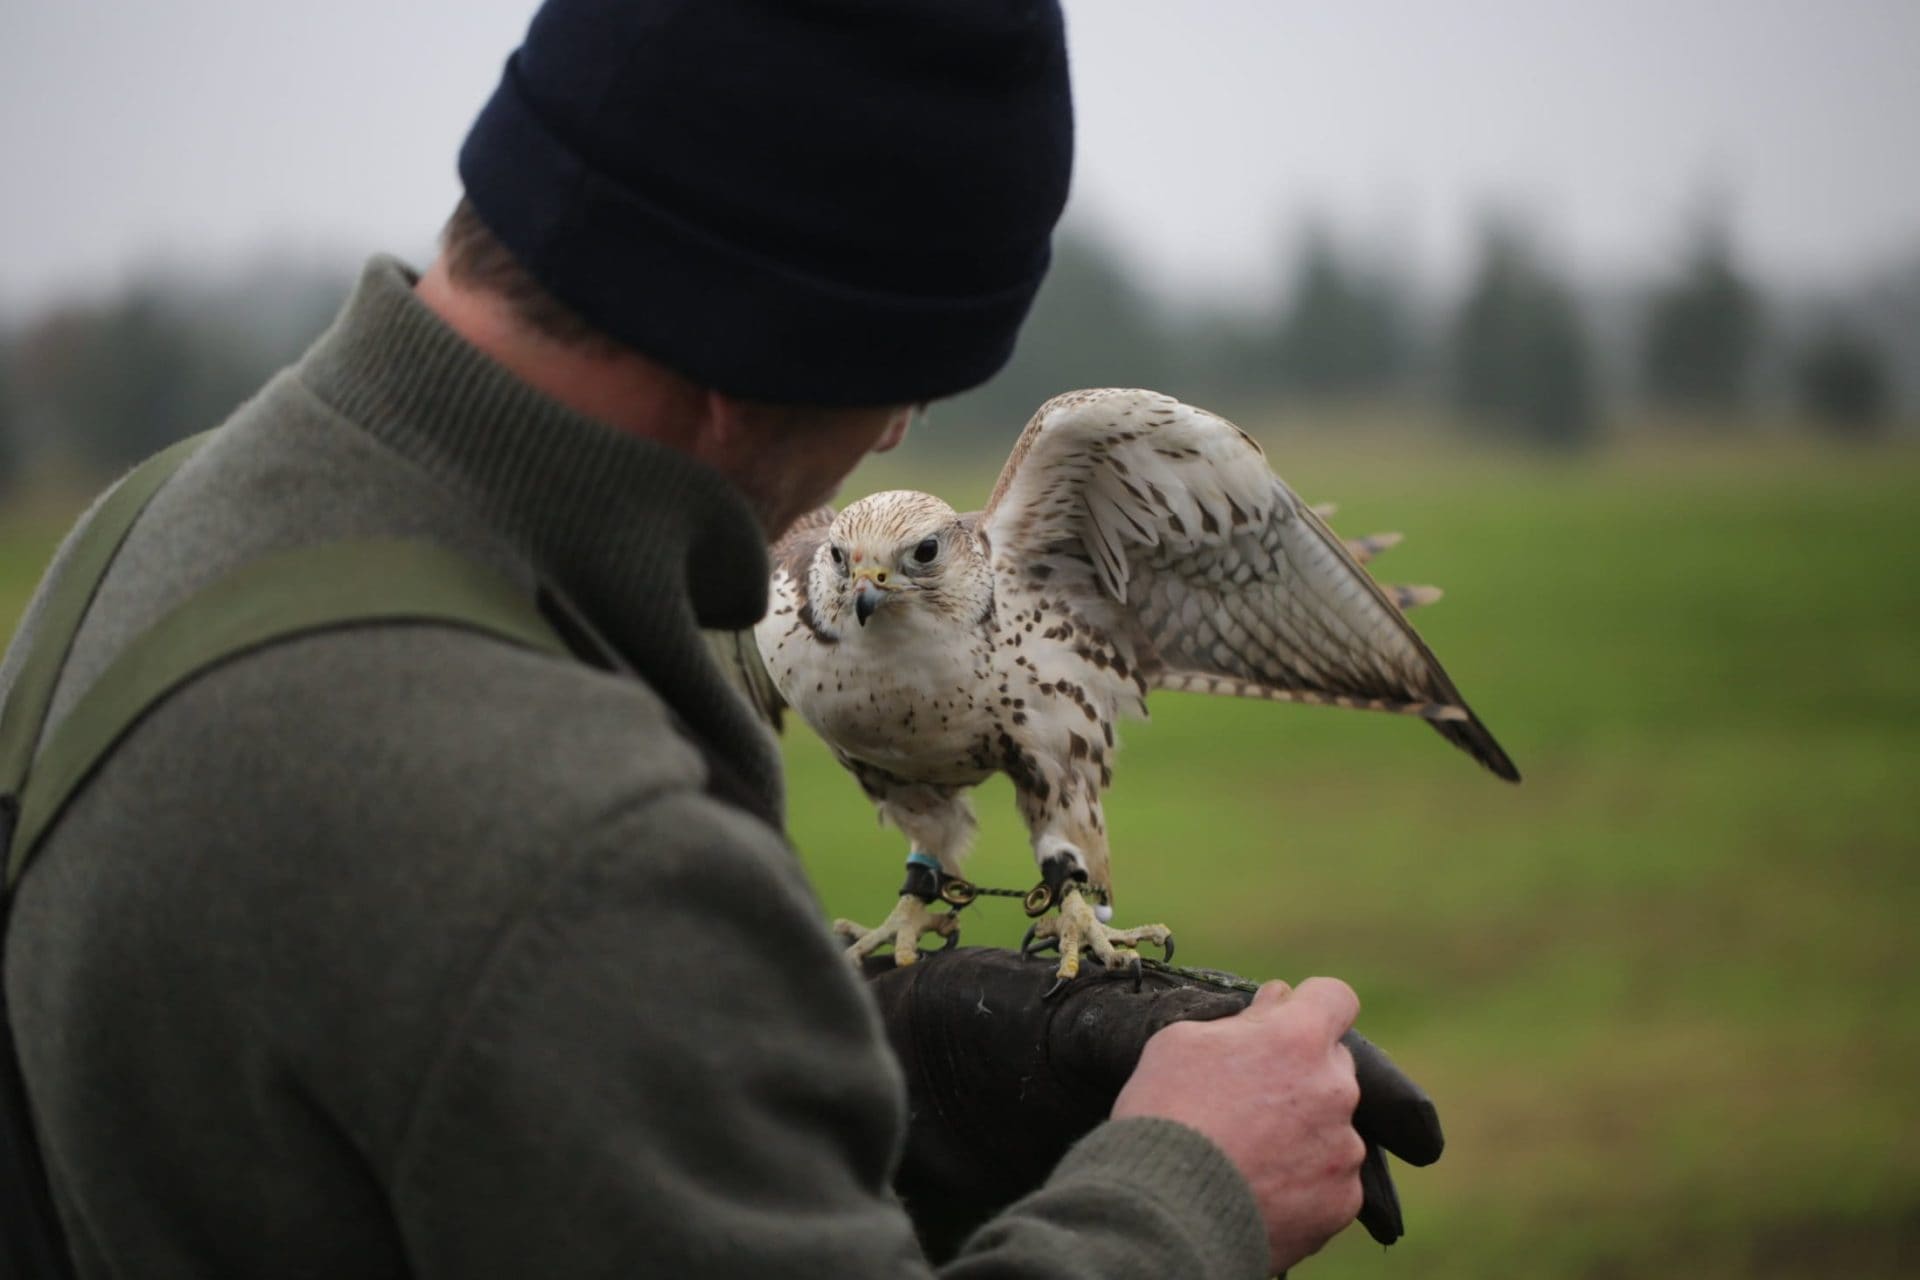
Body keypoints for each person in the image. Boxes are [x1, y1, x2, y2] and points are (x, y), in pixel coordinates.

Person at [0, 2, 1379, 1276]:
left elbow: (414, 1140)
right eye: (898, 379)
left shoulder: (140, 536)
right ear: (745, 354)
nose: (895, 435)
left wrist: (853, 1088)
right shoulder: (572, 840)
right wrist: (1189, 1189)